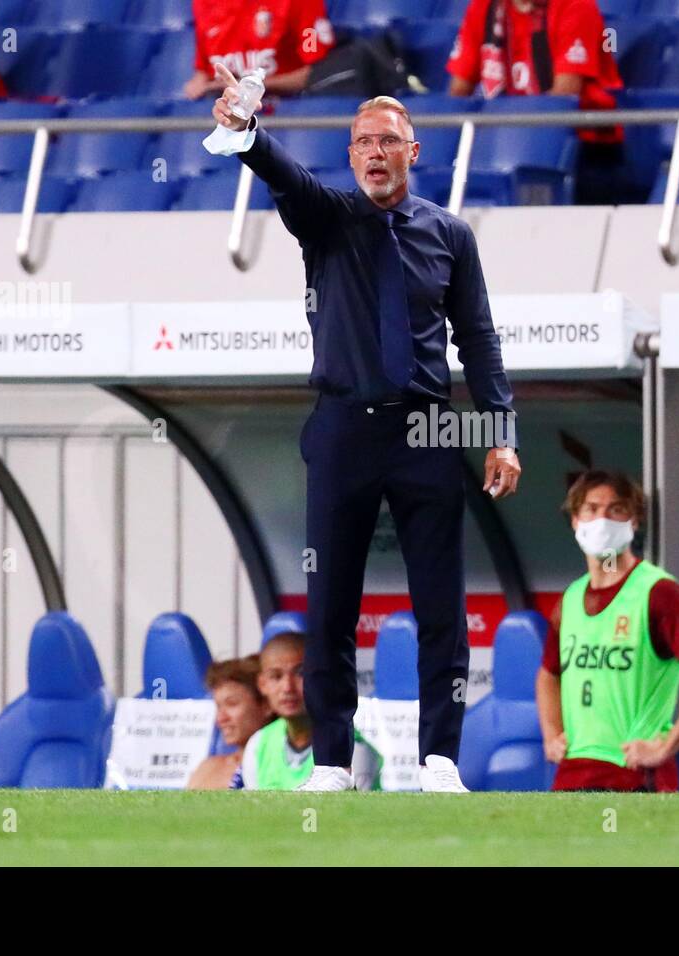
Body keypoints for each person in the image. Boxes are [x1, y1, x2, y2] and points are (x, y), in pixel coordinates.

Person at [206, 66, 522, 793]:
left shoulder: (451, 234)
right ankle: (331, 763)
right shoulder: (327, 217)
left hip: (429, 430)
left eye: (389, 140)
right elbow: (284, 176)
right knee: (331, 605)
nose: (375, 151)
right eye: (362, 142)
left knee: (442, 600)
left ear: (415, 152)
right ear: (351, 158)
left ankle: (440, 759)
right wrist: (248, 134)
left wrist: (501, 431)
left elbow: (478, 336)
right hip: (344, 427)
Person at [535, 470, 679, 792]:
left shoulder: (658, 591)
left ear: (634, 521)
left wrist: (667, 747)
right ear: (575, 521)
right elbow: (548, 675)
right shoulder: (570, 598)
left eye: (616, 510)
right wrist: (551, 735)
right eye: (591, 509)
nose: (602, 520)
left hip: (634, 775)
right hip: (572, 775)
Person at [445, 0, 625, 203]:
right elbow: (459, 92)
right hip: (509, 138)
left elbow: (563, 95)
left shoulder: (575, 5)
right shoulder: (484, 7)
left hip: (584, 144)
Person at [237, 632, 381, 791]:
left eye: (300, 673)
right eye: (276, 676)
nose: (287, 688)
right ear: (262, 684)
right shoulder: (259, 744)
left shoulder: (350, 750)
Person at [184, 0, 334, 100]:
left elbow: (316, 74)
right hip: (229, 111)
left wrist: (250, 86)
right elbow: (203, 71)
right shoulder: (203, 3)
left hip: (288, 108)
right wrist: (196, 87)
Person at [186, 654, 273, 790]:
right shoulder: (207, 768)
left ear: (266, 705)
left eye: (232, 704)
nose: (221, 719)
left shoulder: (284, 768)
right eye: (218, 706)